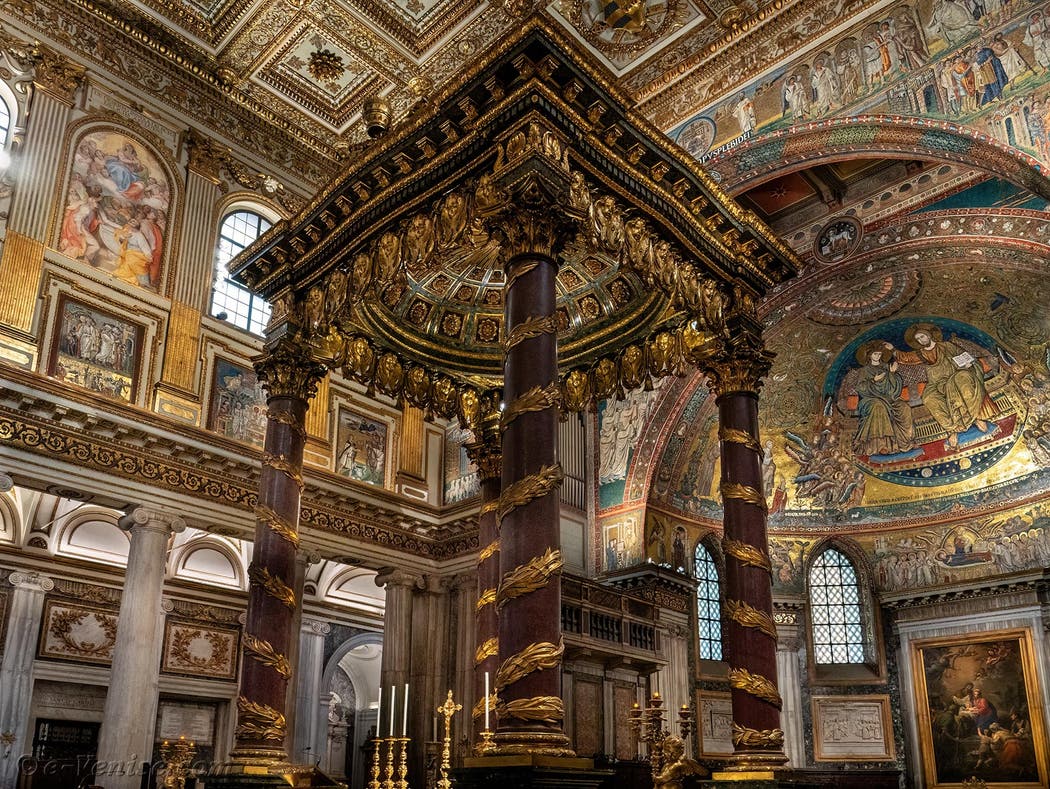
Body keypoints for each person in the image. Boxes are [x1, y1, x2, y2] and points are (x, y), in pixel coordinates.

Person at [893, 323, 996, 449]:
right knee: (928, 397)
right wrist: (892, 349)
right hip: (936, 383)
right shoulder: (920, 354)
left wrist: (969, 363)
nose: (921, 340)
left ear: (929, 335)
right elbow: (906, 358)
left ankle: (973, 418)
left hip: (955, 374)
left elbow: (964, 355)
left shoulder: (946, 346)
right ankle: (952, 429)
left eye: (922, 336)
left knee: (957, 382)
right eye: (918, 339)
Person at [852, 341, 915, 455]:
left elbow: (895, 388)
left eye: (880, 354)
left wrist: (892, 373)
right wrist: (873, 381)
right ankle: (881, 445)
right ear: (869, 355)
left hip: (889, 399)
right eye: (875, 354)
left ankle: (905, 442)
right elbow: (860, 388)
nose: (878, 356)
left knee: (904, 407)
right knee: (878, 407)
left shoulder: (886, 367)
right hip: (870, 399)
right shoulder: (864, 370)